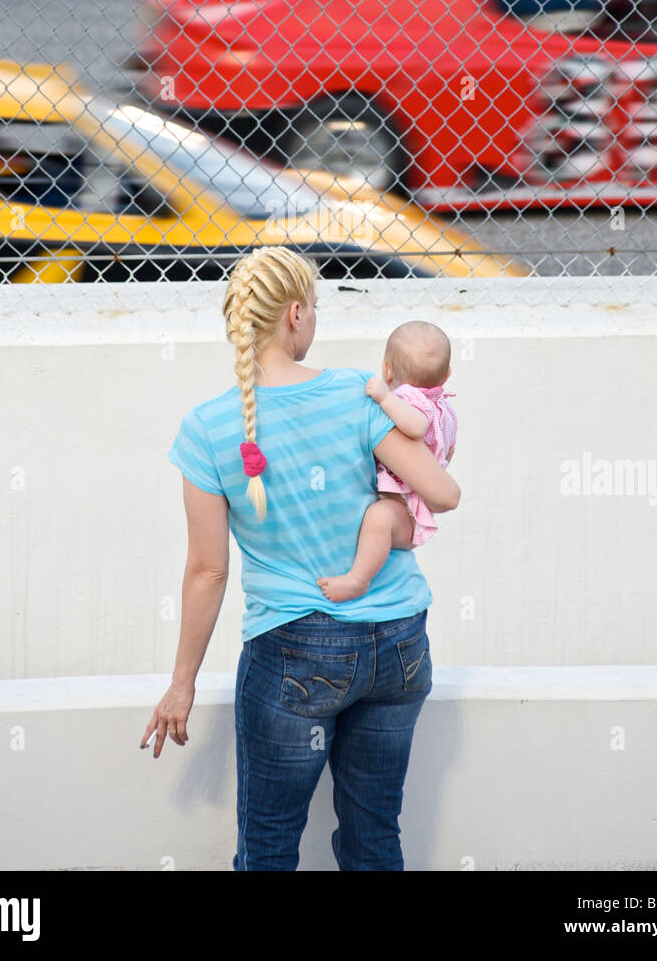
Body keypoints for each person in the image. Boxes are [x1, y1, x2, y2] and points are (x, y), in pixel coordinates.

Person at [141, 245, 460, 871]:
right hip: (398, 643)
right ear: (294, 314)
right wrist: (390, 526)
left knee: (267, 845)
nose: (315, 319)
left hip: (294, 650)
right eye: (314, 307)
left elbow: (208, 570)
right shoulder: (355, 392)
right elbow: (440, 492)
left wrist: (182, 685)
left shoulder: (207, 428)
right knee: (374, 839)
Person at [316, 321, 458, 602]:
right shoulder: (446, 408)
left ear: (387, 370)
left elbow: (416, 425)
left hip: (402, 504)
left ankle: (357, 580)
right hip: (412, 505)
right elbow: (448, 451)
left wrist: (384, 396)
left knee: (378, 518)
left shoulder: (406, 398)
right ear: (447, 375)